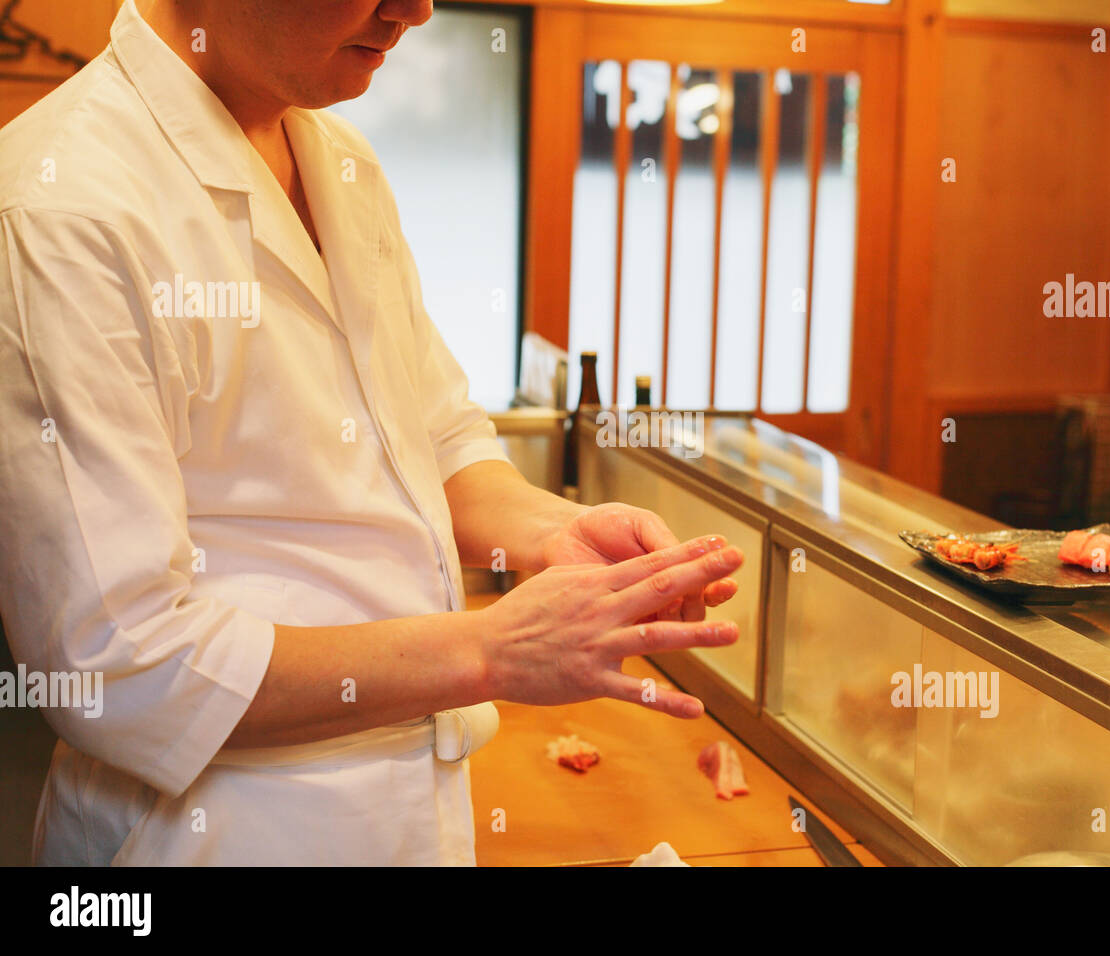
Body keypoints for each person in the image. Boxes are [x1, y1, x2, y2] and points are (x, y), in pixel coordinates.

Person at [0, 0, 742, 865]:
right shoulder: (63, 204)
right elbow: (120, 664)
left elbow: (435, 433)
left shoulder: (338, 157)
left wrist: (548, 534)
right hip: (213, 834)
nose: (415, 10)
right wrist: (491, 651)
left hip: (407, 808)